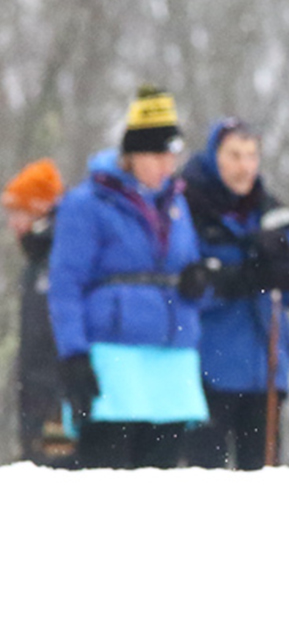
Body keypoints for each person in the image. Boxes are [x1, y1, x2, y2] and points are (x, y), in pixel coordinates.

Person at [46, 86, 215, 469]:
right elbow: (66, 283)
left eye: (170, 155)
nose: (166, 166)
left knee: (160, 480)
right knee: (108, 477)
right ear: (131, 155)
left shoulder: (177, 204)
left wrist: (198, 282)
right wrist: (72, 352)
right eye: (156, 155)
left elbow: (186, 266)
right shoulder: (87, 203)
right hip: (115, 362)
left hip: (172, 363)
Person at [180, 118, 289, 470]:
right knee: (203, 477)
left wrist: (281, 258)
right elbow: (190, 285)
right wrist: (249, 273)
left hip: (265, 369)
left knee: (263, 479)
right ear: (215, 157)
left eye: (251, 156)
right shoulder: (190, 206)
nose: (245, 167)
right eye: (235, 155)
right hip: (208, 367)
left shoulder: (269, 208)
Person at [8, 159, 71, 466]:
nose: (13, 223)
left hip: (58, 400)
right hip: (35, 395)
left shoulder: (59, 255)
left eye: (20, 212)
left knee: (56, 472)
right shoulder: (36, 261)